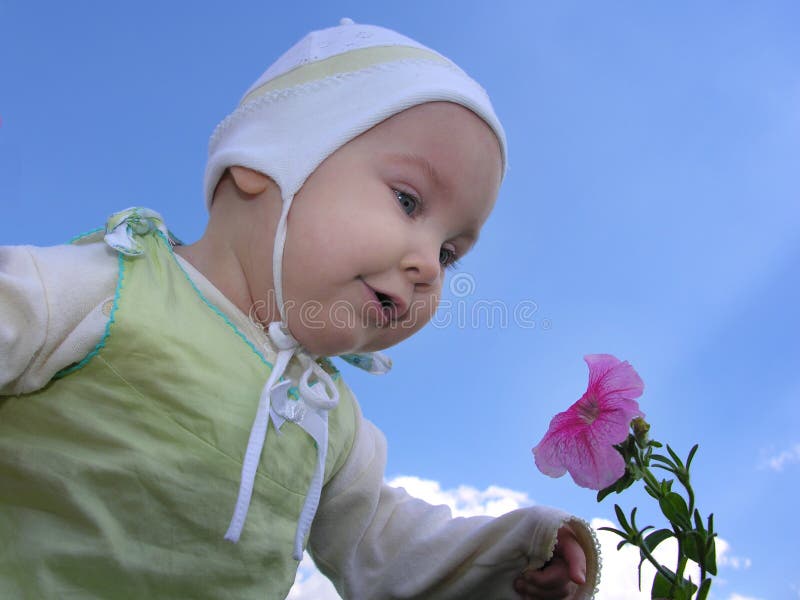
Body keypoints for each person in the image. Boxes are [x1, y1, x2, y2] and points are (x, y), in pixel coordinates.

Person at [0, 19, 599, 600]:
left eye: (450, 253)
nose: (429, 266)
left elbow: (392, 551)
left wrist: (521, 552)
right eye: (407, 200)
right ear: (264, 161)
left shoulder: (329, 418)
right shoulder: (111, 288)